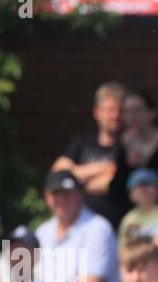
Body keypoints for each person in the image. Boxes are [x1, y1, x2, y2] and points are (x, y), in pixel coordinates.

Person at [53, 82, 128, 227]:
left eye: (120, 110)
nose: (116, 115)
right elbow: (58, 173)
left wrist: (76, 178)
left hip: (114, 225)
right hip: (78, 228)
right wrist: (106, 169)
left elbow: (115, 180)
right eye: (110, 110)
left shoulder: (126, 147)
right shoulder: (81, 143)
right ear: (97, 112)